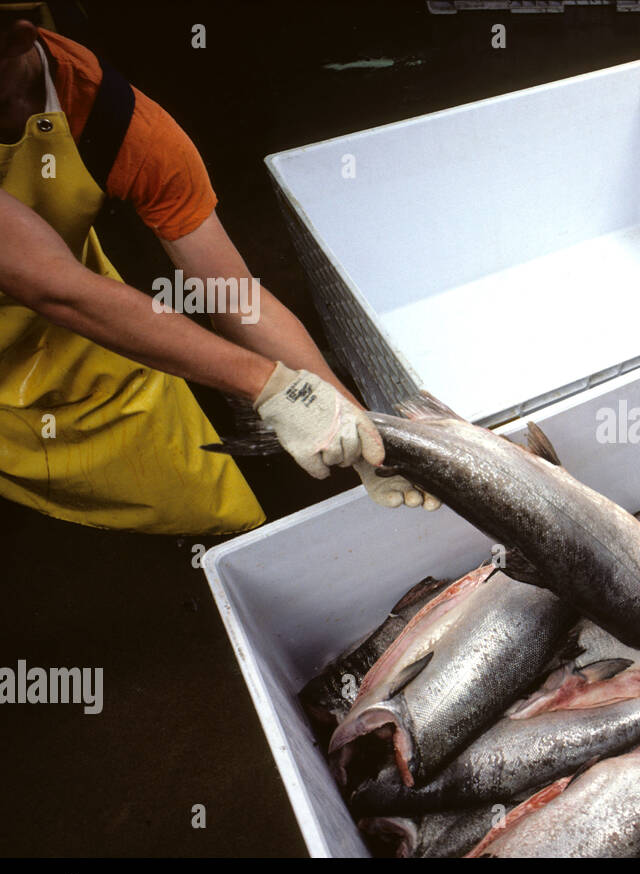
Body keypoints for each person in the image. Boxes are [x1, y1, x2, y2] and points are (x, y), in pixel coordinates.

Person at [0, 6, 437, 535]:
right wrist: (271, 387)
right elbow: (55, 288)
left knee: (203, 502)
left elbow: (232, 296)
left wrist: (349, 417)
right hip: (59, 294)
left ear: (17, 37)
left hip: (66, 313)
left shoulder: (121, 123)